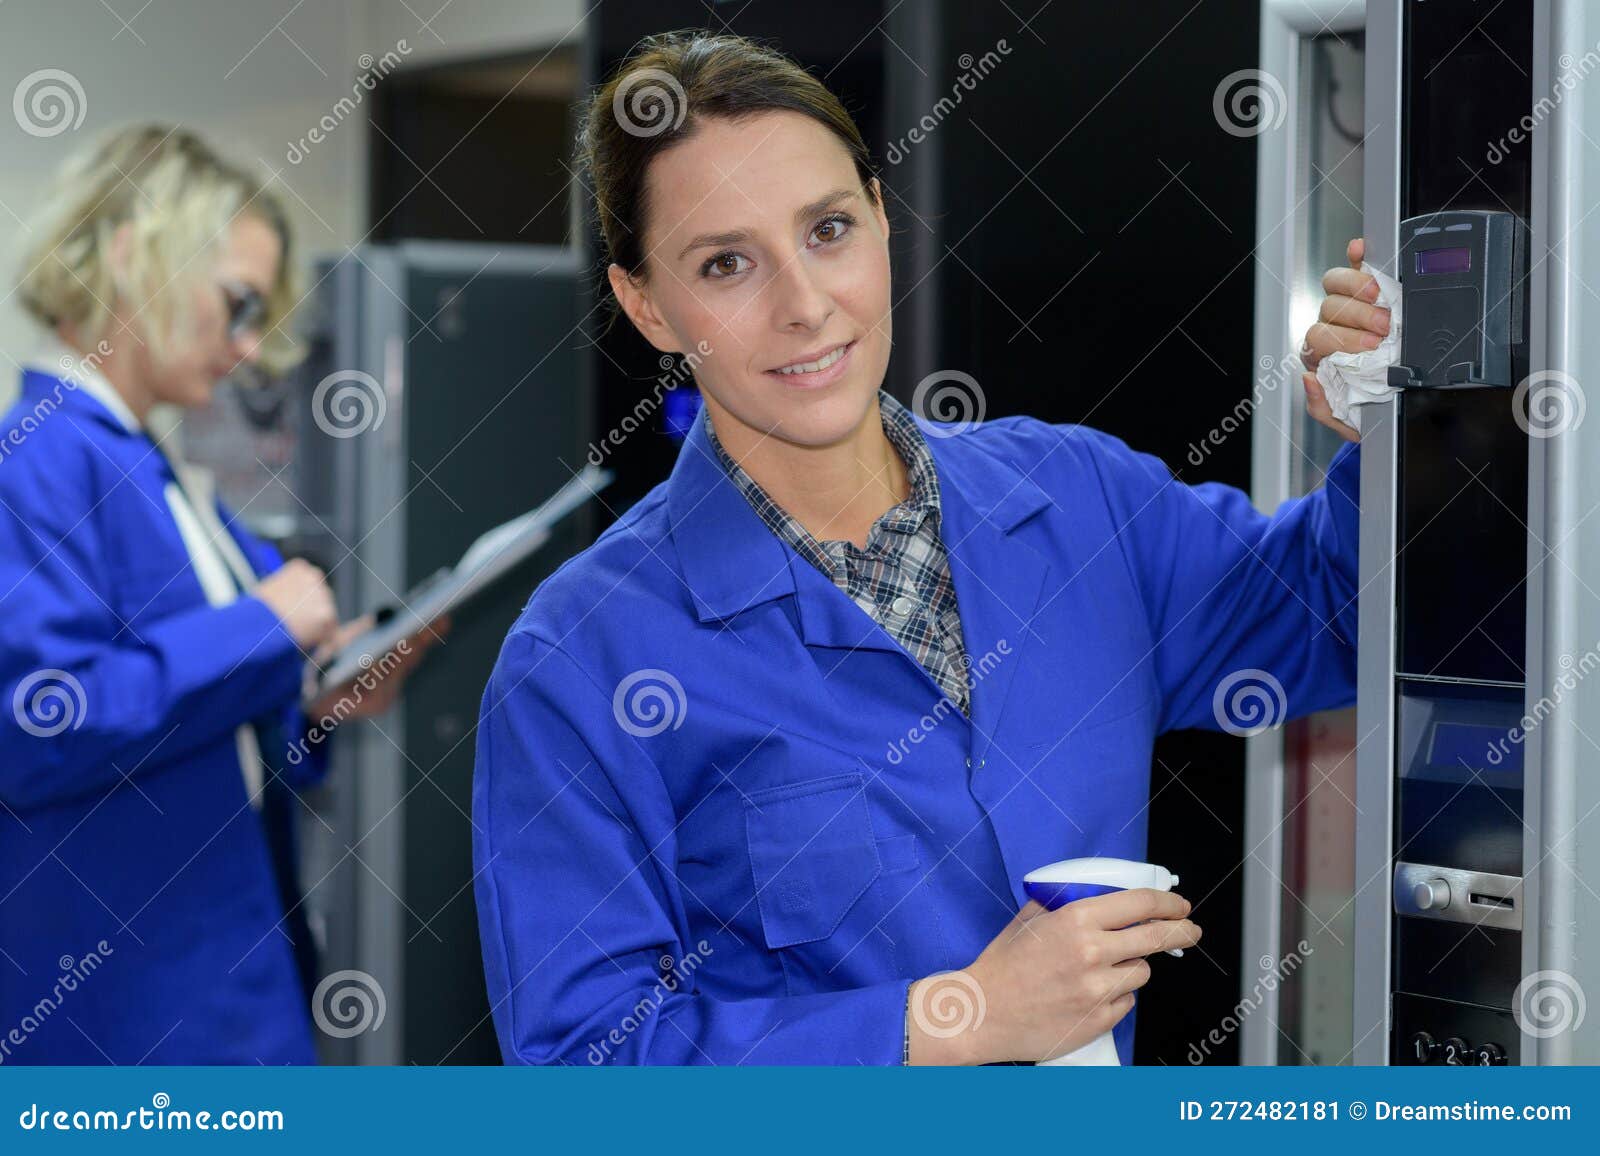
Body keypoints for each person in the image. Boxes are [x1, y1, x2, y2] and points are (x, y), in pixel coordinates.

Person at [471, 31, 1385, 1065]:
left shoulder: (1076, 503)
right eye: (725, 263)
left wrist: (1386, 442)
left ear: (880, 217)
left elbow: (1338, 613)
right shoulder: (584, 654)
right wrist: (950, 1016)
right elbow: (581, 1064)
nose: (804, 305)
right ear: (647, 304)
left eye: (827, 230)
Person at [0, 125, 439, 1064]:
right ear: (132, 254)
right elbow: (40, 728)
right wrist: (262, 633)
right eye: (238, 306)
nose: (248, 350)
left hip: (222, 974)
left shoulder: (144, 463)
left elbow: (206, 725)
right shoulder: (38, 462)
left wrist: (319, 697)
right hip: (133, 1010)